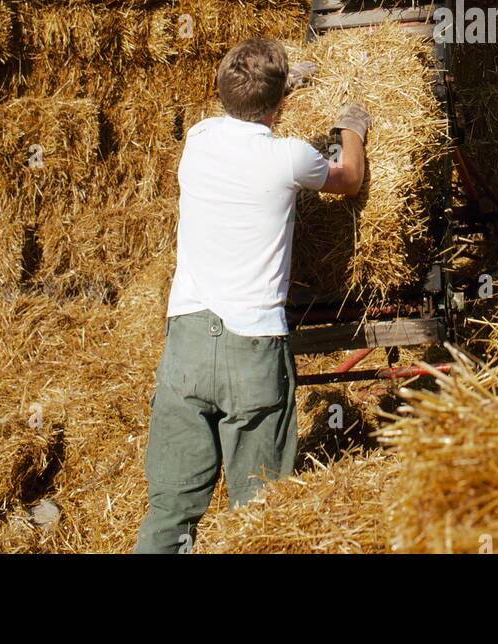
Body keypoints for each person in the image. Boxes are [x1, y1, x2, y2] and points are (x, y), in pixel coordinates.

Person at [133, 36, 369, 554]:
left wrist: (284, 83)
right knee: (260, 518)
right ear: (281, 102)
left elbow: (243, 110)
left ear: (222, 92)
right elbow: (349, 180)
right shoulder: (290, 158)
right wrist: (352, 126)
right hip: (253, 349)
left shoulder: (198, 138)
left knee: (170, 512)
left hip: (188, 344)